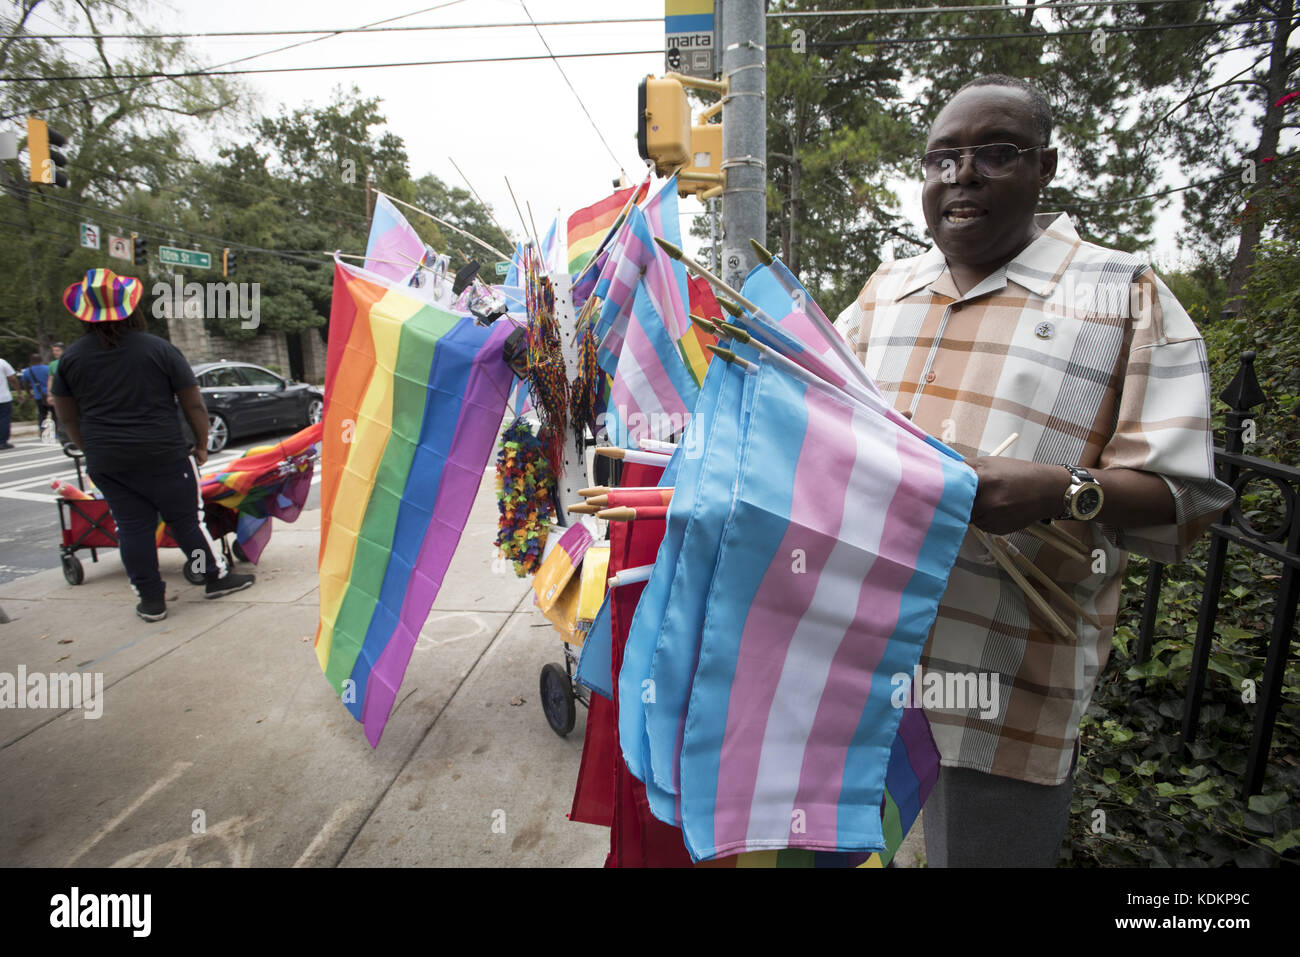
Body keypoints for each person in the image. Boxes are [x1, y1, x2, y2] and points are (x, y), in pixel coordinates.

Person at [835, 75, 1234, 867]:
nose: (963, 174)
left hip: (1005, 676)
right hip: (859, 655)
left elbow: (1185, 498)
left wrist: (1060, 489)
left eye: (995, 152)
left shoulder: (1122, 295)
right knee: (851, 848)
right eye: (942, 157)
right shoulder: (885, 293)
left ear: (1045, 166)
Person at [50, 268, 254, 622]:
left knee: (132, 528)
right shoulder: (159, 349)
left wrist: (91, 449)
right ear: (131, 307)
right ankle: (213, 577)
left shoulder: (70, 359)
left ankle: (151, 600)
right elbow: (193, 404)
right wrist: (202, 445)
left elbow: (68, 417)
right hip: (165, 454)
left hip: (108, 461)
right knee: (187, 522)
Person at [20, 353, 53, 439]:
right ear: (41, 360)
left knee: (42, 414)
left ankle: (43, 431)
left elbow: (25, 384)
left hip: (39, 395)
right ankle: (56, 431)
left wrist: (29, 394)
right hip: (50, 394)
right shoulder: (48, 368)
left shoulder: (28, 371)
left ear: (31, 361)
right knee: (55, 413)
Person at [0, 355, 16, 449]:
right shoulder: (2, 362)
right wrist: (18, 391)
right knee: (4, 419)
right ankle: (2, 442)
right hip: (3, 397)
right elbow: (12, 378)